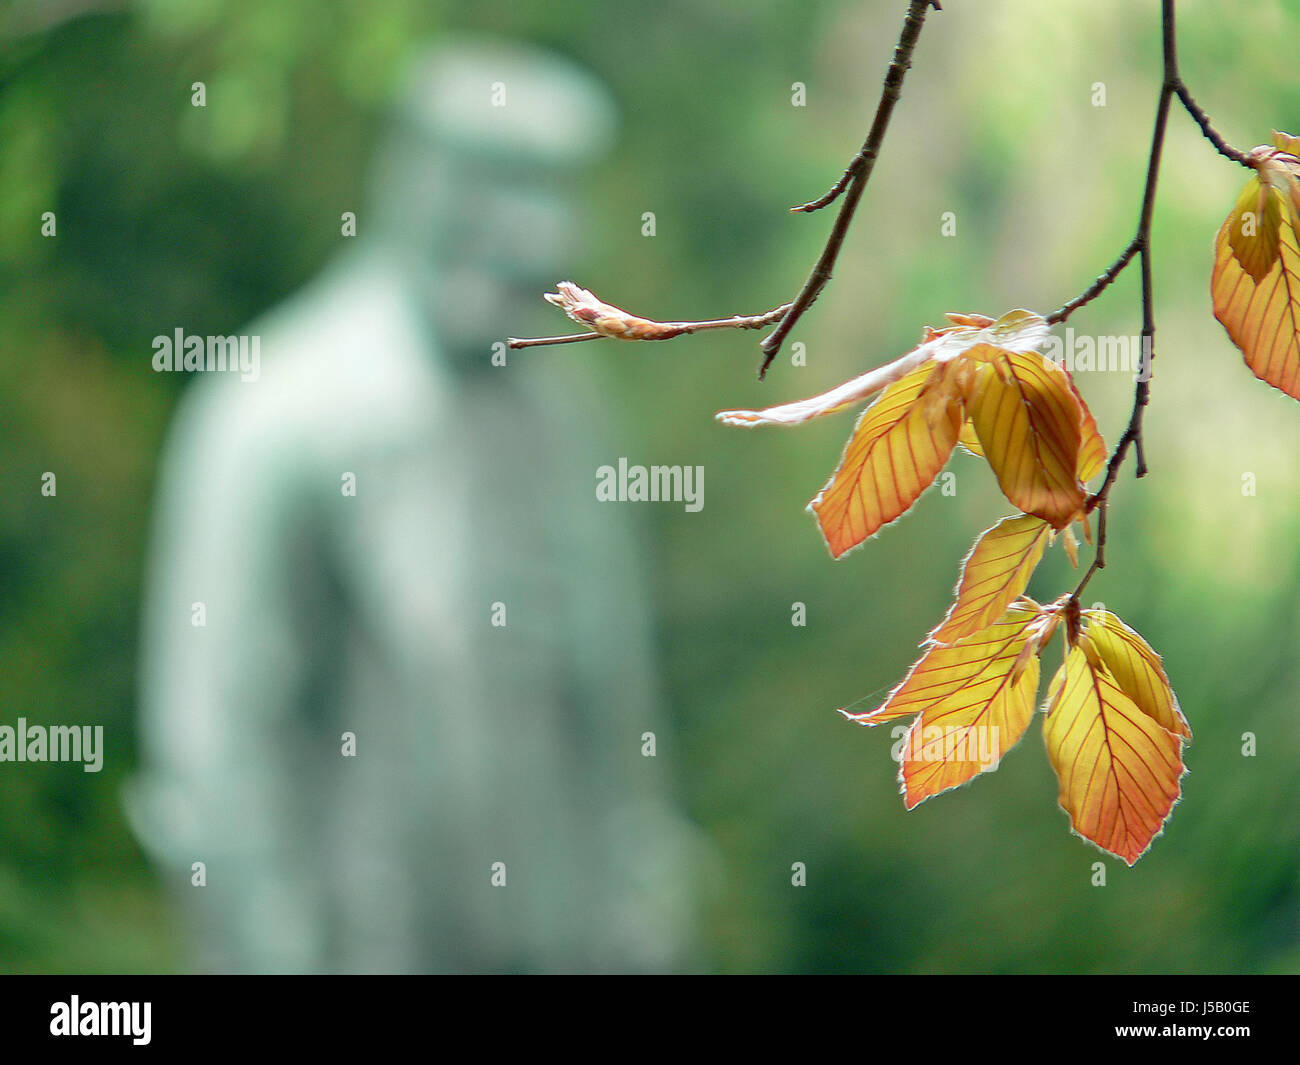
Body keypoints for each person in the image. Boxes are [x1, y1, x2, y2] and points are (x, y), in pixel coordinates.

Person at [128, 38, 701, 974]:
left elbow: (615, 696)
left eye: (554, 196)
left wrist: (643, 905)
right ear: (414, 181)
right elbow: (218, 758)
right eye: (496, 191)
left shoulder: (567, 414)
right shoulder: (278, 412)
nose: (534, 237)